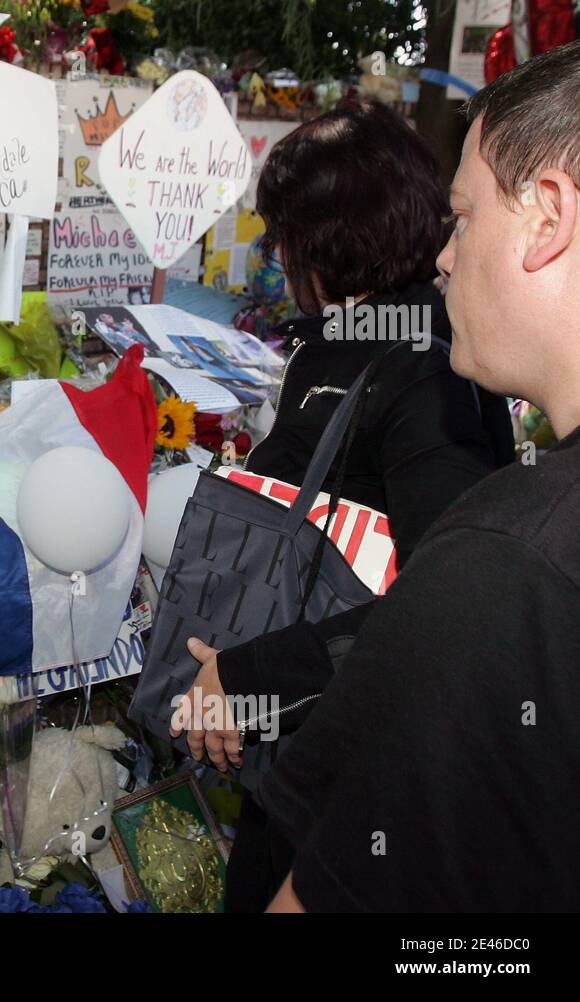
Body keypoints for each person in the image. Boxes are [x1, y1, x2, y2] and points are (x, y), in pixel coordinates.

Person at [167, 98, 516, 911]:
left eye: (285, 238)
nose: (278, 260)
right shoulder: (355, 336)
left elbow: (448, 607)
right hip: (303, 752)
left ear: (324, 240)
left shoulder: (429, 368)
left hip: (356, 776)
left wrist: (253, 678)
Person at [264, 39, 580, 911]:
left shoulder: (509, 556)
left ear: (547, 218)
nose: (443, 256)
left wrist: (258, 676)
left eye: (465, 216)